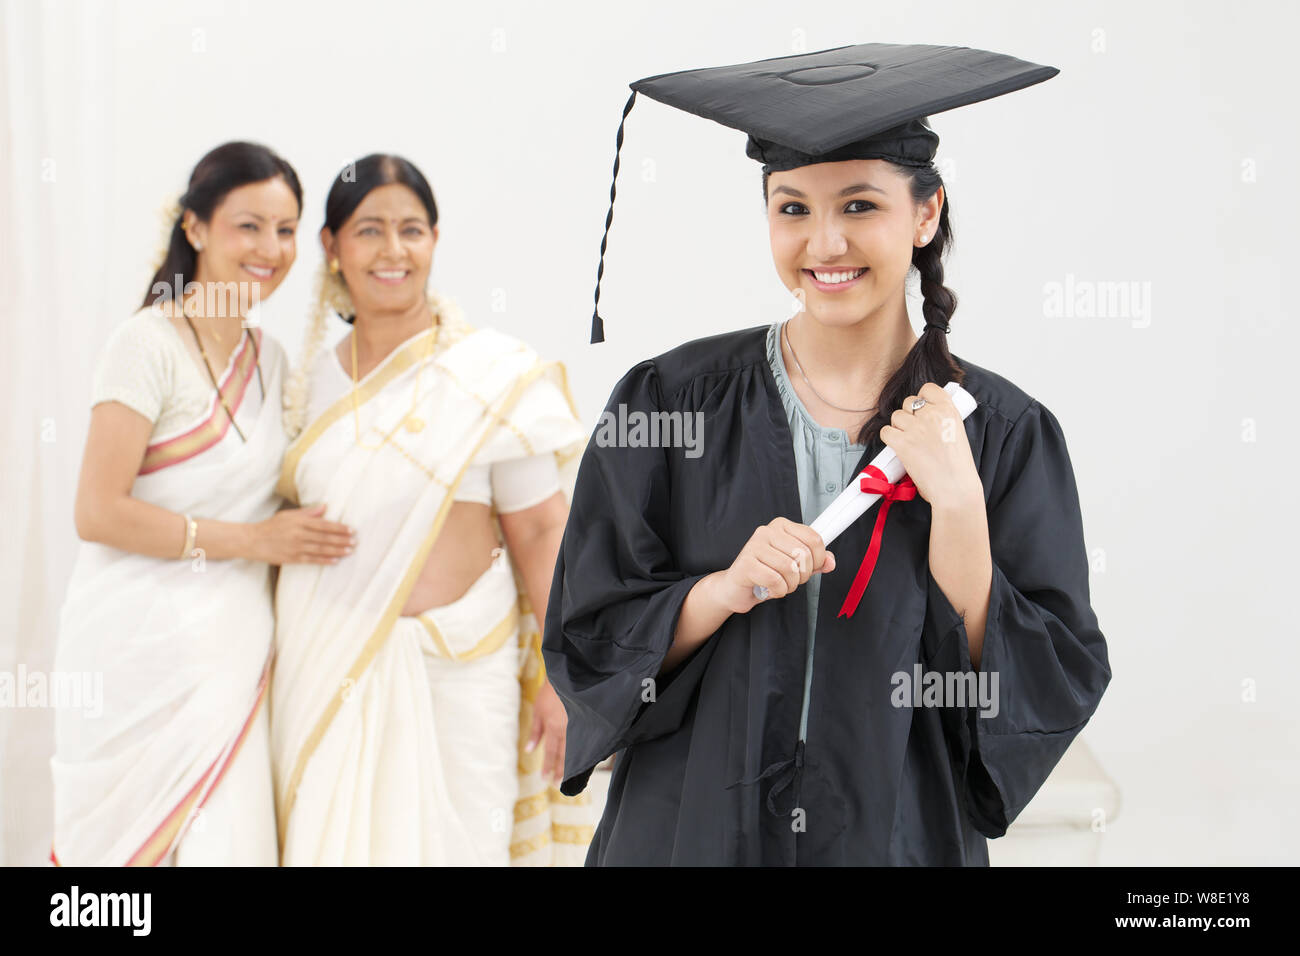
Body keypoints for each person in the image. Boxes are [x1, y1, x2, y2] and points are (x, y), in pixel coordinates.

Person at [543, 42, 1113, 865]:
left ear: (925, 215)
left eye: (858, 207)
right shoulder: (669, 402)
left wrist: (958, 508)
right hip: (691, 831)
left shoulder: (1000, 432)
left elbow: (1053, 678)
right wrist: (718, 591)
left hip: (895, 835)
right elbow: (588, 635)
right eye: (793, 209)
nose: (824, 244)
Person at [272, 154, 593, 865]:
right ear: (331, 246)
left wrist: (567, 676)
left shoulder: (489, 376)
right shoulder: (302, 386)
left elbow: (543, 530)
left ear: (435, 240)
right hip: (326, 669)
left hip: (459, 670)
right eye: (370, 231)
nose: (393, 251)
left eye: (411, 230)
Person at [50, 141, 355, 866]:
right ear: (194, 227)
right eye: (248, 225)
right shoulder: (145, 345)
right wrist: (257, 543)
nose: (270, 249)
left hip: (231, 663)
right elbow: (97, 511)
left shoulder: (272, 360)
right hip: (134, 654)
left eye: (286, 230)